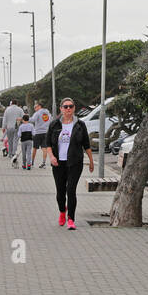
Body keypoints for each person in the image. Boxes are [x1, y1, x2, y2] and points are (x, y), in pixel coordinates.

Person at [45, 98, 93, 230]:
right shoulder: (54, 124)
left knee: (71, 190)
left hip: (75, 162)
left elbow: (86, 145)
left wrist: (91, 161)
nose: (68, 109)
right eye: (65, 107)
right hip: (58, 163)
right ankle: (62, 211)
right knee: (60, 192)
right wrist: (52, 157)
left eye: (70, 106)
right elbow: (48, 143)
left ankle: (71, 219)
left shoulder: (80, 125)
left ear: (74, 108)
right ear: (61, 108)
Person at [29, 101, 52, 168]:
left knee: (35, 148)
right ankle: (43, 163)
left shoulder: (37, 113)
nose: (35, 108)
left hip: (38, 132)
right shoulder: (48, 113)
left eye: (35, 107)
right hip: (46, 132)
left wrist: (25, 118)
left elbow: (32, 120)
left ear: (39, 106)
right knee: (44, 148)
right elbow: (51, 120)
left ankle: (32, 162)